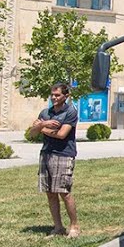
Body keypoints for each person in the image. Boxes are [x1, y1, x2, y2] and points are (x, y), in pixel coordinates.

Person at [28, 82, 81, 238]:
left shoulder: (70, 112)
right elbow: (31, 134)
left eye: (57, 95)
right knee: (50, 192)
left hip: (63, 154)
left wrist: (41, 128)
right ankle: (58, 227)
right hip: (46, 154)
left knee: (64, 192)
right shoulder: (45, 113)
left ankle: (74, 226)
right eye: (52, 94)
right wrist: (44, 124)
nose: (54, 97)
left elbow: (61, 134)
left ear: (66, 96)